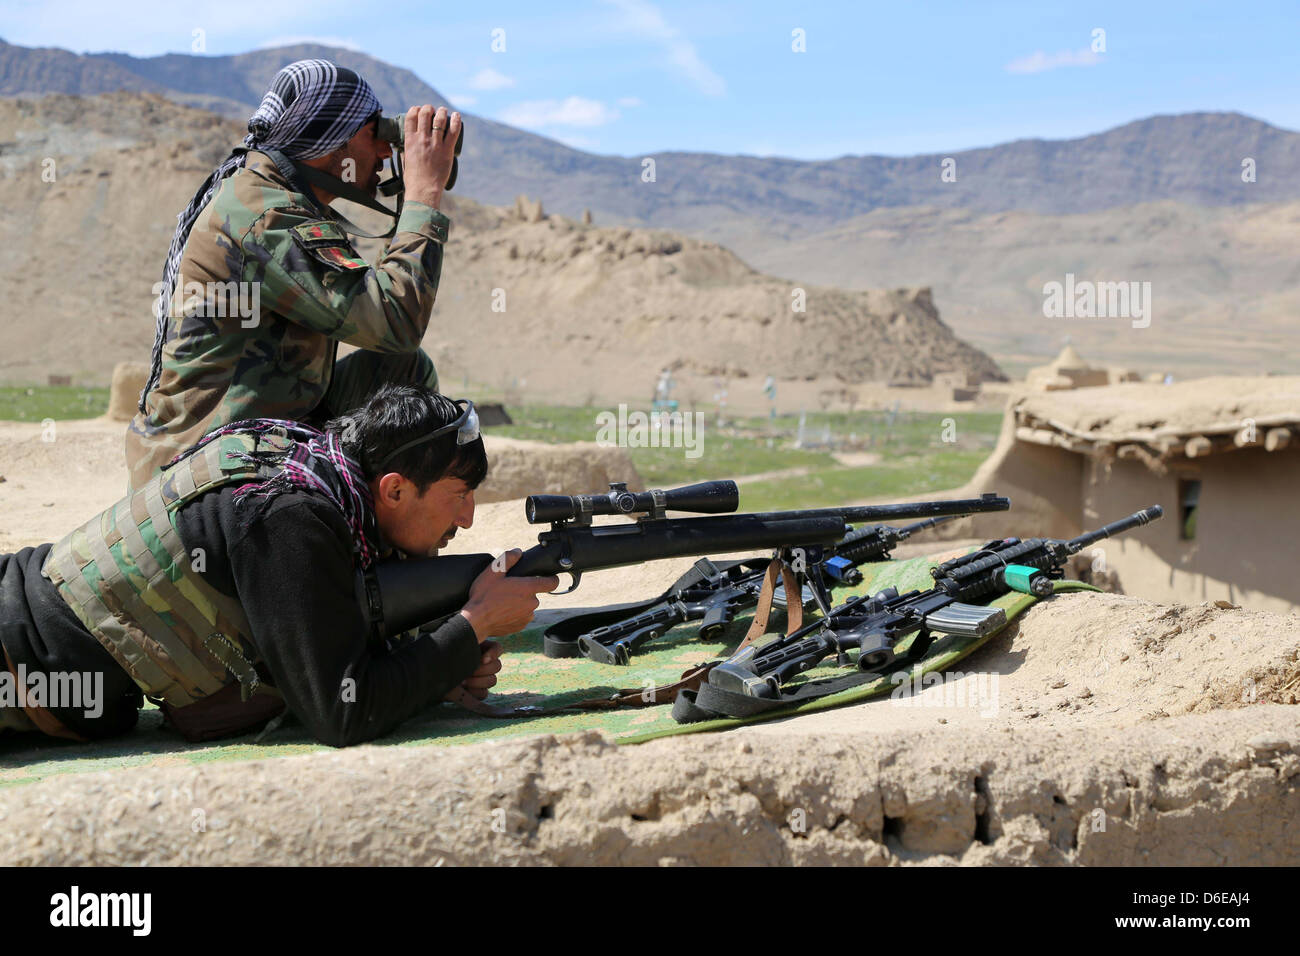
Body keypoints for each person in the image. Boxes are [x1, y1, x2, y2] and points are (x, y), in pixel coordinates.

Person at [0, 385, 557, 747]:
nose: (467, 517)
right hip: (19, 654)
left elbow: (329, 636)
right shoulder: (293, 517)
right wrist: (474, 624)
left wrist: (438, 668)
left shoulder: (318, 470)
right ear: (393, 489)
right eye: (459, 494)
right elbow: (342, 713)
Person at [126, 58, 463, 491]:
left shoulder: (282, 200)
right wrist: (423, 192)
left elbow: (385, 322)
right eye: (373, 133)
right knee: (401, 359)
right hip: (201, 468)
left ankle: (387, 536)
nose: (385, 151)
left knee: (400, 370)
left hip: (260, 429)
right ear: (329, 142)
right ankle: (376, 544)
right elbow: (394, 320)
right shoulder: (265, 216)